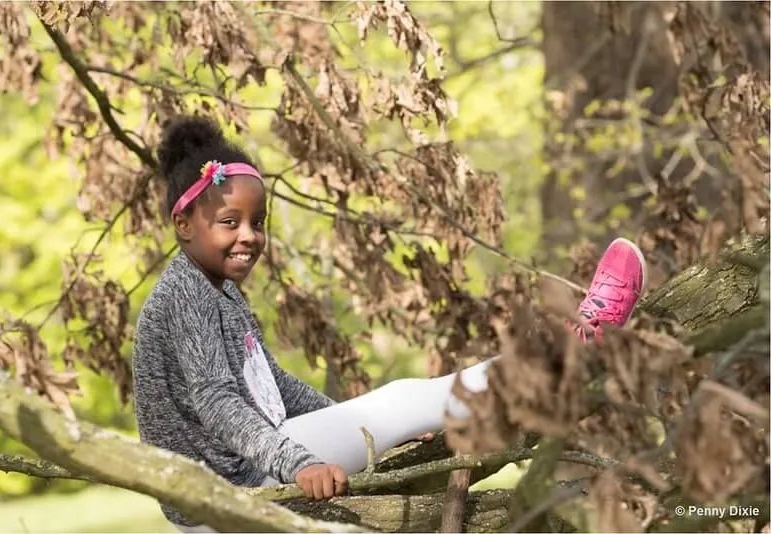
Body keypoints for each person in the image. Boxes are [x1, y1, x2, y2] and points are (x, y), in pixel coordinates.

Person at [131, 116, 647, 532]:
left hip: (240, 472)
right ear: (183, 225)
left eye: (258, 223)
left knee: (392, 408)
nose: (249, 236)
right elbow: (218, 403)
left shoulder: (219, 292)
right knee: (400, 399)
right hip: (227, 488)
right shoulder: (184, 295)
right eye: (229, 223)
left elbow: (274, 386)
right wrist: (299, 463)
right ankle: (571, 346)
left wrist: (356, 430)